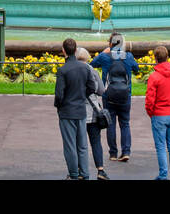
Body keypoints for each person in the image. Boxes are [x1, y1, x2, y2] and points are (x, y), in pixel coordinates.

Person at [54, 36, 98, 180]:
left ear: (63, 51)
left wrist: (59, 106)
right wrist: (81, 95)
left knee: (70, 145)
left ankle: (73, 173)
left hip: (67, 111)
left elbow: (59, 95)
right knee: (82, 145)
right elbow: (92, 86)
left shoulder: (63, 70)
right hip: (80, 110)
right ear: (75, 50)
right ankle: (84, 173)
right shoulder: (85, 67)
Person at [91, 31, 139, 161]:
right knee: (125, 123)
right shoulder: (128, 56)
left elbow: (91, 64)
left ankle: (113, 153)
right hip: (125, 95)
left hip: (109, 95)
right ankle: (126, 152)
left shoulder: (105, 57)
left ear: (110, 44)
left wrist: (103, 52)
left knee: (110, 123)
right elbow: (137, 69)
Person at [145, 45, 170, 181]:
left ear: (155, 58)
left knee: (161, 147)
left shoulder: (154, 76)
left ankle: (163, 175)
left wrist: (151, 113)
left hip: (158, 114)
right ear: (167, 56)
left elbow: (150, 99)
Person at [77, 47, 110, 181]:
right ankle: (100, 170)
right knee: (96, 142)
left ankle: (80, 170)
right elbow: (101, 91)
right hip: (93, 111)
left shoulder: (73, 70)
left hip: (78, 111)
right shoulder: (93, 71)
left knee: (79, 143)